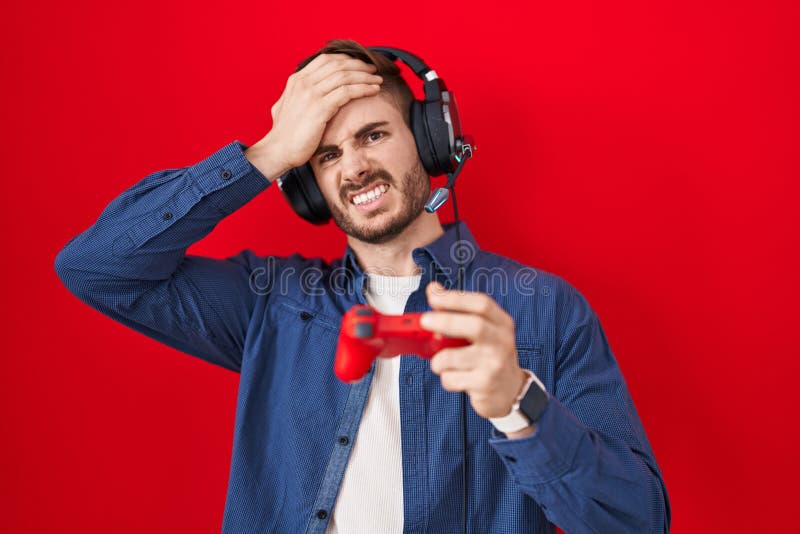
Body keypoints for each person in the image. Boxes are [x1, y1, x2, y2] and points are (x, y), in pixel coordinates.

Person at [54, 39, 670, 533]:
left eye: (373, 135)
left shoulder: (543, 308)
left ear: (429, 141)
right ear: (308, 186)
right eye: (325, 156)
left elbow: (638, 521)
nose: (353, 167)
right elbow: (97, 266)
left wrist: (518, 404)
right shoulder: (271, 303)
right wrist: (268, 152)